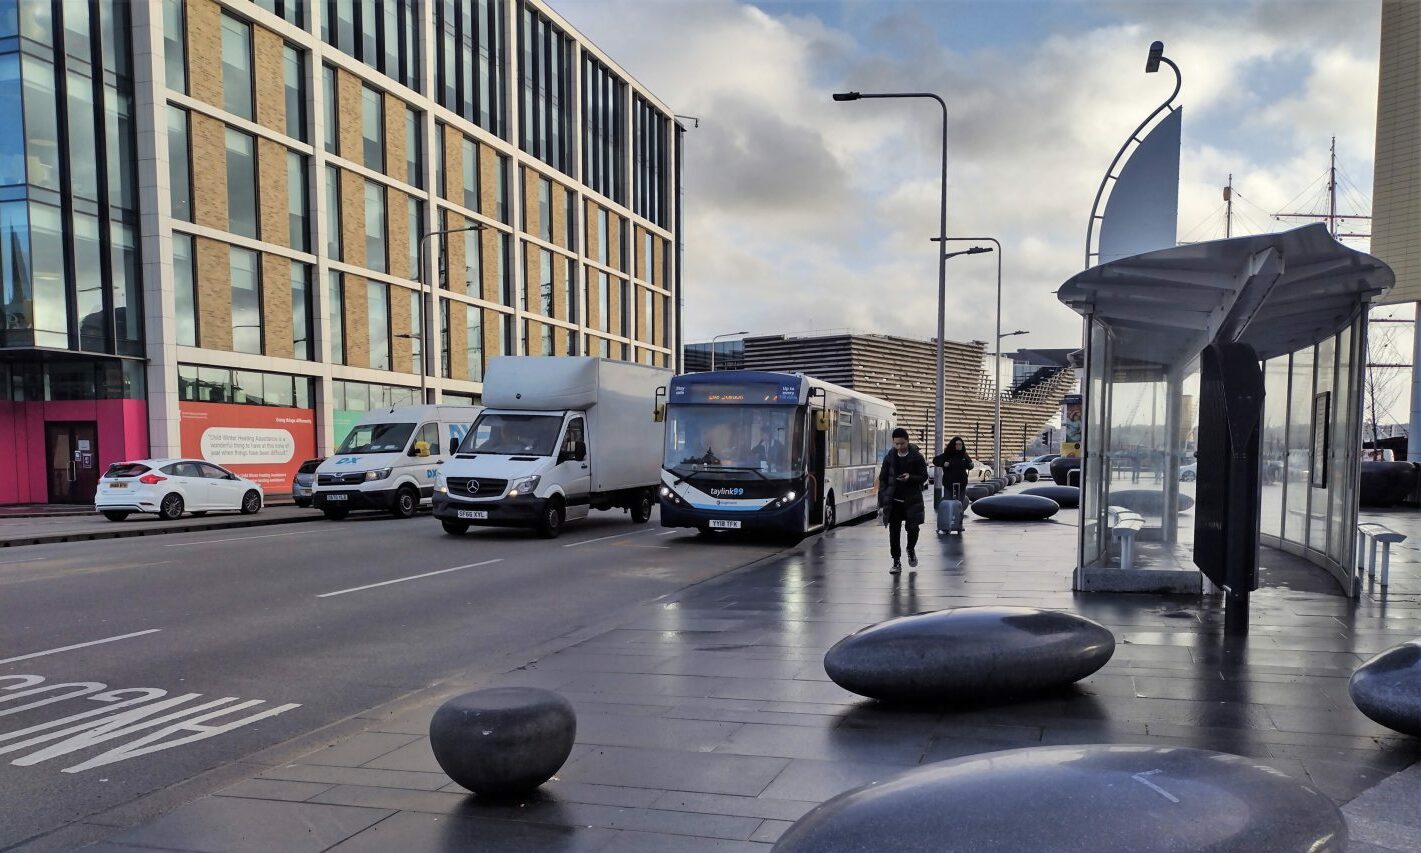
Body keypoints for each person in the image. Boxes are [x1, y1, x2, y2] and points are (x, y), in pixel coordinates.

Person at [879, 427, 928, 574]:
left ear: (907, 441)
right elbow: (883, 478)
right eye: (896, 444)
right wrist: (882, 501)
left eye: (902, 443)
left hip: (911, 500)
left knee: (913, 529)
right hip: (894, 501)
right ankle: (896, 561)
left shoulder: (917, 457)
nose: (899, 446)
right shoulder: (889, 457)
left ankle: (910, 548)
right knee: (894, 532)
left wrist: (910, 478)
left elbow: (924, 476)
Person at [933, 436, 973, 502]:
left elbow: (969, 465)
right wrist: (943, 463)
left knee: (960, 504)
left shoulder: (964, 455)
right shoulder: (947, 454)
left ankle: (960, 512)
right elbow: (935, 460)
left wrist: (971, 465)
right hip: (949, 484)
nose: (959, 446)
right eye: (957, 444)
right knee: (949, 503)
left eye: (960, 444)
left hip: (962, 484)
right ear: (953, 445)